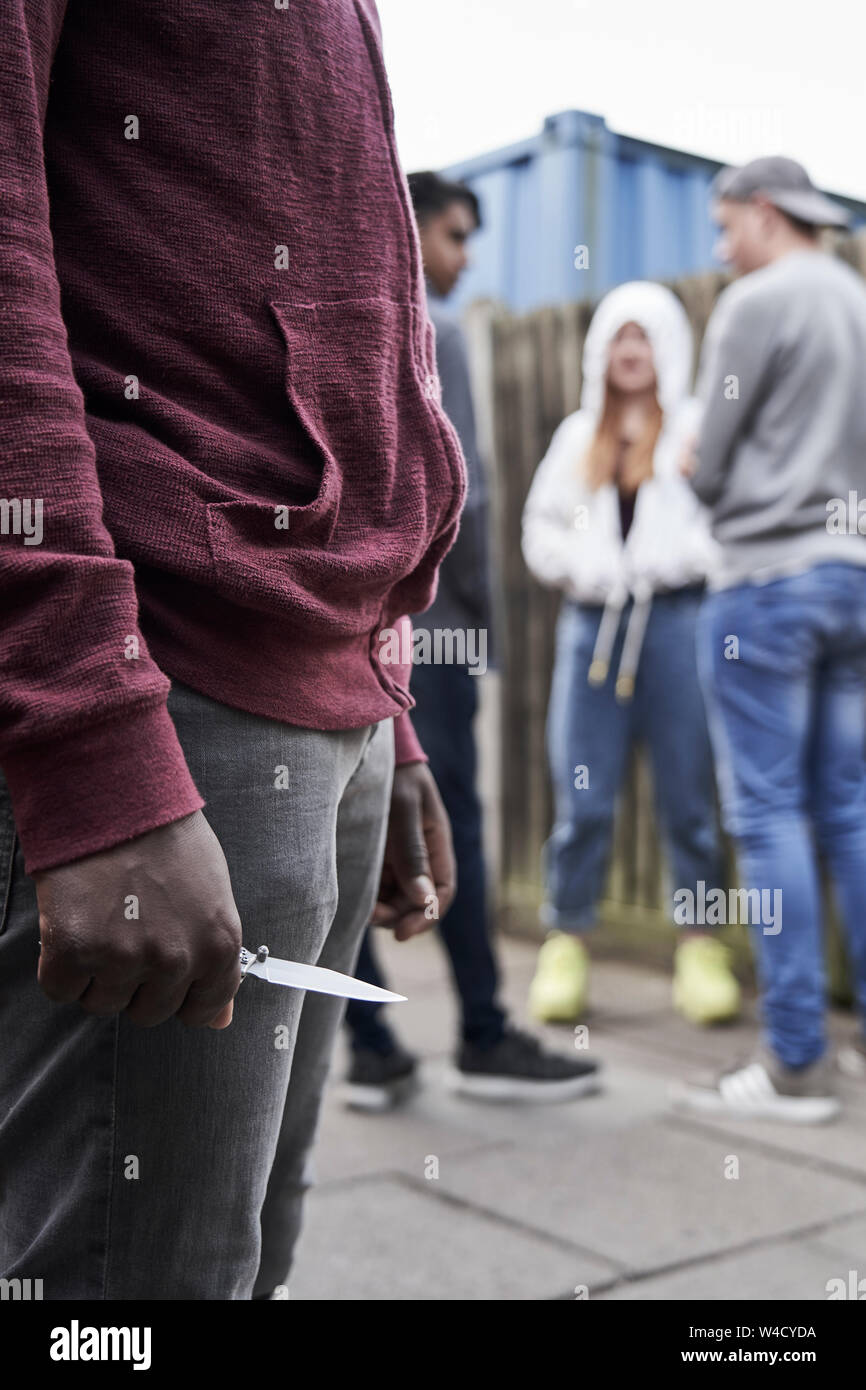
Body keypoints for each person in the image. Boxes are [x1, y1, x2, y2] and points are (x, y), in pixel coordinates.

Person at [0, 1, 461, 1301]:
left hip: (325, 691)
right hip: (163, 672)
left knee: (239, 1253)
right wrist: (90, 746)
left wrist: (389, 699)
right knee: (137, 1286)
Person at [343, 172, 600, 1107]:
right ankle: (485, 1035)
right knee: (453, 818)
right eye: (455, 236)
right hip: (428, 621)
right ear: (411, 226)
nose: (463, 259)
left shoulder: (336, 310)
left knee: (342, 821)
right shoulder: (431, 327)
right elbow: (468, 493)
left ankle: (370, 1043)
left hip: (335, 621)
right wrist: (477, 620)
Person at [677, 157, 866, 1123]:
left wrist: (688, 458)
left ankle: (796, 1063)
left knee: (768, 814)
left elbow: (708, 468)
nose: (721, 249)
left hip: (767, 584)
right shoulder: (859, 302)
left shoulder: (758, 302)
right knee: (850, 808)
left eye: (724, 227)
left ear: (762, 212)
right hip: (854, 576)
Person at [522, 281, 738, 1026]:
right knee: (582, 799)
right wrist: (583, 570)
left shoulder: (695, 429)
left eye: (645, 337)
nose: (632, 352)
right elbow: (539, 532)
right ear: (601, 350)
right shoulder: (575, 436)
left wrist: (679, 559)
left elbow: (730, 522)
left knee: (691, 798)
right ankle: (567, 940)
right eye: (621, 337)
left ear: (669, 346)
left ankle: (701, 948)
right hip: (592, 632)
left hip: (680, 626)